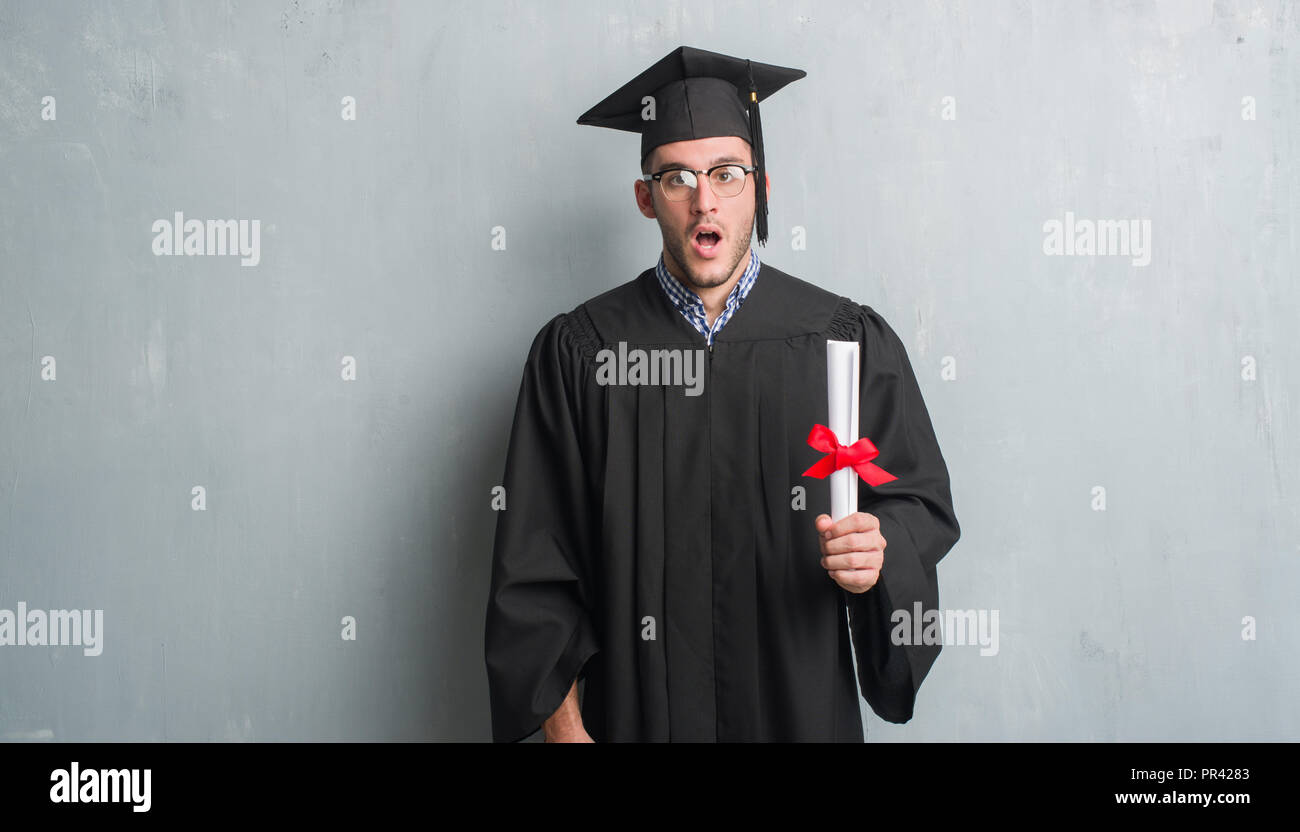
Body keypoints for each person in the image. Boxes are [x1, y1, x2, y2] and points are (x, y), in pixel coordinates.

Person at [484, 45, 960, 742]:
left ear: (759, 188)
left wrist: (880, 549)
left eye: (726, 173)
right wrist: (567, 736)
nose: (704, 199)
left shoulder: (843, 342)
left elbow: (916, 505)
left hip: (799, 717)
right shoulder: (582, 355)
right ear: (646, 198)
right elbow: (534, 563)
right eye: (676, 177)